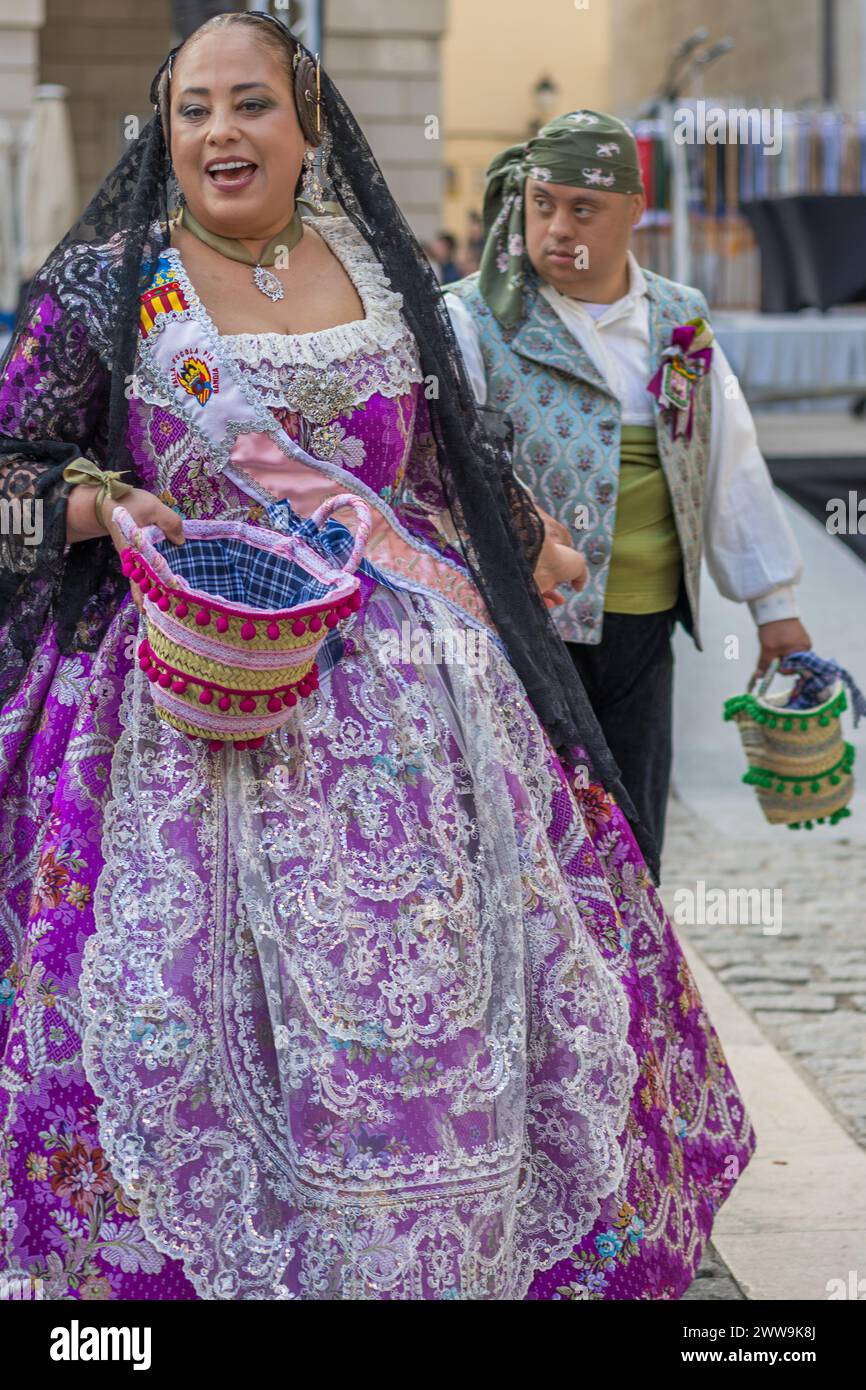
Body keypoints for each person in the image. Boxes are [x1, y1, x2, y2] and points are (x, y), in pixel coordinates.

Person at [0, 19, 754, 1301]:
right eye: (192, 112)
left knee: (445, 1019)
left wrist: (532, 540)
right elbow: (9, 477)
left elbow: (435, 466)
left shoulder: (379, 272)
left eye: (249, 106)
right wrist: (94, 504)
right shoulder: (104, 289)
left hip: (420, 711)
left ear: (306, 121)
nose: (220, 134)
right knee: (173, 1016)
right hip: (193, 698)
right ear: (164, 132)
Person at [444, 111, 811, 853]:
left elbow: (726, 459)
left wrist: (775, 608)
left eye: (584, 209)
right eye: (542, 204)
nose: (557, 228)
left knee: (636, 836)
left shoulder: (678, 319)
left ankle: (640, 971)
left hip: (644, 635)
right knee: (541, 841)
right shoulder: (473, 319)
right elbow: (450, 475)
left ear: (635, 213)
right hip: (525, 633)